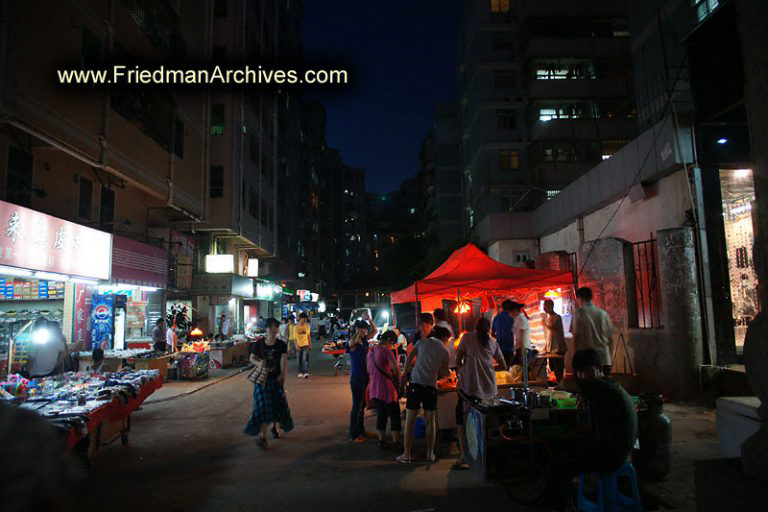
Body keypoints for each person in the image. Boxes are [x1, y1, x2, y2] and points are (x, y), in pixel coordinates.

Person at [543, 349, 637, 511]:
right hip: (618, 447)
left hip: (613, 455)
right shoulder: (607, 386)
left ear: (599, 369)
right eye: (580, 372)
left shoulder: (601, 392)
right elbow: (597, 428)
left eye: (588, 371)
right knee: (563, 448)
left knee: (558, 465)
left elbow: (596, 435)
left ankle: (561, 506)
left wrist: (572, 435)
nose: (584, 376)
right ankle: (566, 500)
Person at [453, 317, 508, 470]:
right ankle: (486, 456)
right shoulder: (493, 343)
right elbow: (504, 366)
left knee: (462, 420)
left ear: (475, 327)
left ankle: (464, 455)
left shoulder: (466, 338)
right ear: (489, 329)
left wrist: (466, 367)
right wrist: (488, 367)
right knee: (485, 422)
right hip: (489, 389)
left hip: (469, 388)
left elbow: (458, 360)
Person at [397, 321, 450, 464]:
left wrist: (405, 374)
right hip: (430, 386)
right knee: (430, 421)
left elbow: (409, 358)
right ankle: (430, 454)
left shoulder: (422, 343)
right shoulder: (444, 351)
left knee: (410, 421)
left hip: (415, 384)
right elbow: (444, 372)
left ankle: (406, 455)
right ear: (444, 338)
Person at [244, 318, 294, 449]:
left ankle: (274, 427)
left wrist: (282, 375)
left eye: (275, 327)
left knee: (276, 406)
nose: (273, 330)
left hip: (275, 380)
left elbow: (283, 361)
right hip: (262, 381)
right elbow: (252, 358)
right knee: (262, 409)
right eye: (271, 327)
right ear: (267, 329)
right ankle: (262, 437)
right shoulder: (259, 344)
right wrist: (259, 363)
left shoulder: (281, 344)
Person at [367, 330, 402, 449]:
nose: (392, 346)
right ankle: (396, 442)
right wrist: (399, 379)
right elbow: (395, 369)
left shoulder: (371, 352)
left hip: (374, 389)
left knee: (381, 415)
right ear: (388, 340)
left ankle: (381, 441)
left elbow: (368, 370)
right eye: (392, 344)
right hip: (387, 389)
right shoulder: (387, 351)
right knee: (395, 416)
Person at [570, 286, 615, 376]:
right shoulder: (603, 314)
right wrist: (610, 359)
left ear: (579, 298)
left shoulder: (578, 313)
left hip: (586, 361)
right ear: (591, 297)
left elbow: (576, 337)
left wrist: (575, 358)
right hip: (604, 358)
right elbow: (611, 339)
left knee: (589, 384)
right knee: (604, 384)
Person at [347, 320, 371, 443]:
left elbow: (374, 331)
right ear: (358, 329)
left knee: (362, 406)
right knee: (357, 407)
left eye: (366, 329)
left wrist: (369, 320)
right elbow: (352, 342)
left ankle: (361, 431)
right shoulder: (352, 342)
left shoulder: (364, 341)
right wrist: (357, 331)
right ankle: (353, 434)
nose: (365, 331)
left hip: (365, 377)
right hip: (357, 378)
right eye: (363, 329)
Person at [543, 299, 567, 385]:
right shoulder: (549, 318)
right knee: (552, 367)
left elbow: (553, 327)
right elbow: (549, 335)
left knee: (558, 368)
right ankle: (557, 384)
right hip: (551, 349)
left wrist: (544, 323)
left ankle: (561, 384)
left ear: (550, 306)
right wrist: (546, 347)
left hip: (558, 348)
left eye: (545, 306)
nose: (544, 308)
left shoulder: (557, 317)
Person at [492, 300, 516, 366]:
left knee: (502, 367)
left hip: (499, 347)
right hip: (510, 347)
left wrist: (498, 337)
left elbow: (492, 333)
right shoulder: (513, 318)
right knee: (508, 367)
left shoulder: (496, 318)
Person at [510, 302, 533, 367]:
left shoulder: (521, 319)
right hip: (520, 348)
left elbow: (523, 335)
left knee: (522, 370)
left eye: (510, 312)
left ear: (514, 311)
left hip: (523, 348)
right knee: (518, 369)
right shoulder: (517, 319)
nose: (510, 314)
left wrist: (523, 351)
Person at [296, 312, 312, 378]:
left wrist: (310, 344)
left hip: (306, 344)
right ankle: (300, 372)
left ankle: (305, 372)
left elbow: (308, 336)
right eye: (304, 319)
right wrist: (296, 345)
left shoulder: (307, 326)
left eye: (305, 319)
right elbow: (295, 338)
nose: (305, 320)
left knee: (305, 359)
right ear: (300, 318)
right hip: (299, 345)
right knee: (299, 359)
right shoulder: (296, 327)